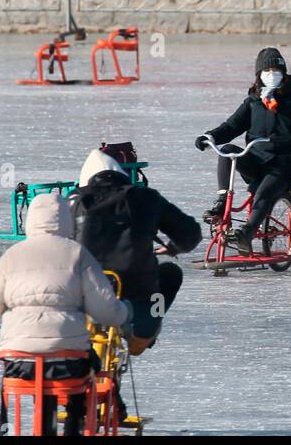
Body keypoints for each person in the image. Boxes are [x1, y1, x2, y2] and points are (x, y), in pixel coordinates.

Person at [0, 194, 130, 436]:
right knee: (81, 375)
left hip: (20, 363)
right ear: (68, 221)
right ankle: (73, 427)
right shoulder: (77, 254)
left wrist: (8, 305)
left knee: (40, 377)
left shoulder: (13, 255)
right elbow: (107, 311)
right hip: (68, 362)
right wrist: (123, 313)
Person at [75, 149, 200, 355]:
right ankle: (146, 332)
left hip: (83, 300)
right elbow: (190, 234)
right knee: (170, 273)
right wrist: (173, 248)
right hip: (138, 295)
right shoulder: (146, 198)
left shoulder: (73, 201)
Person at [197, 47, 291, 256]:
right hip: (255, 160)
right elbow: (232, 125)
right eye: (266, 71)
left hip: (282, 164)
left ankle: (247, 233)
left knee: (263, 193)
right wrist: (210, 137)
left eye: (276, 70)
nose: (271, 75)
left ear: (284, 73)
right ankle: (222, 202)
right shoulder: (254, 101)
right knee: (228, 152)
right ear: (259, 75)